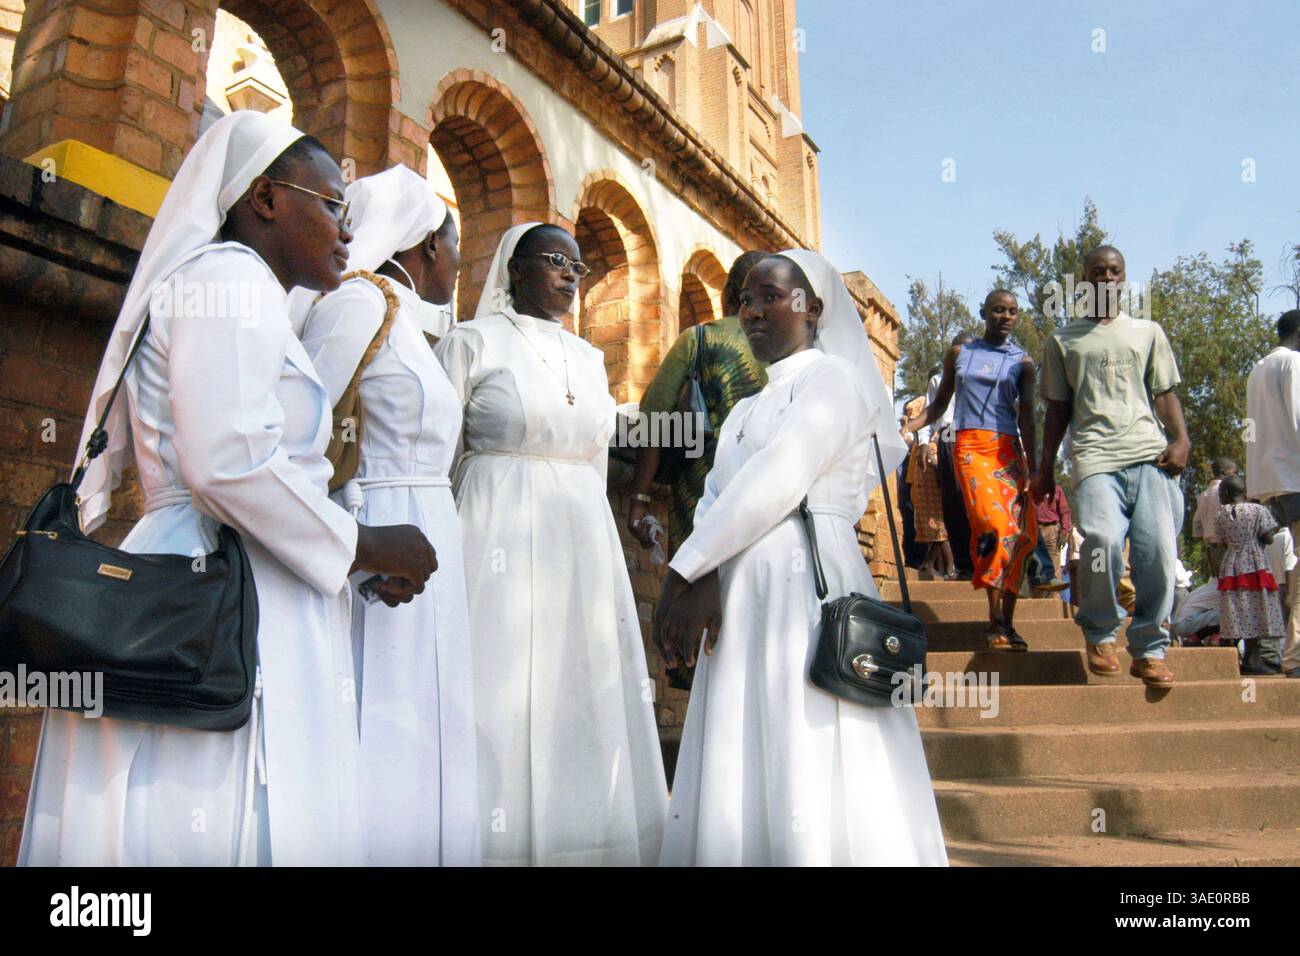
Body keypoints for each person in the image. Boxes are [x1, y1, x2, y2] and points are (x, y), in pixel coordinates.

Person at [19, 112, 437, 866]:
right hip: (211, 585)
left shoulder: (244, 292)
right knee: (214, 809)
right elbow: (226, 465)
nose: (348, 228)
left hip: (231, 572)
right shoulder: (229, 281)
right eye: (331, 203)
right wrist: (364, 544)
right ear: (266, 198)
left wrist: (356, 564)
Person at [653, 251, 948, 866]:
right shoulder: (742, 410)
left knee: (804, 731)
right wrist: (700, 576)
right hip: (738, 589)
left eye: (770, 296)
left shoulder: (833, 380)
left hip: (802, 581)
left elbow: (783, 474)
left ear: (812, 309)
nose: (753, 311)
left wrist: (686, 569)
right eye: (745, 301)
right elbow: (715, 497)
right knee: (745, 734)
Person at [435, 222, 667, 865]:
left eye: (578, 265)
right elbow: (439, 449)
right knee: (499, 677)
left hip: (580, 537)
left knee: (578, 681)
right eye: (554, 261)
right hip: (493, 523)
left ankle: (586, 840)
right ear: (514, 269)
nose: (569, 274)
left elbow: (595, 456)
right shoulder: (470, 342)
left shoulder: (590, 360)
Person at [299, 165, 479, 866]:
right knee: (384, 710)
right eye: (456, 245)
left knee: (428, 716)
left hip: (430, 532)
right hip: (379, 535)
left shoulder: (408, 325)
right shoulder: (360, 305)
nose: (462, 264)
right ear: (428, 245)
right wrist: (354, 542)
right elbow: (301, 427)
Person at [1034, 245, 1190, 688]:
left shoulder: (1147, 332)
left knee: (1159, 554)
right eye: (1097, 271)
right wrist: (1045, 470)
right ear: (1084, 280)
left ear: (1124, 278)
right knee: (1100, 541)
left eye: (1114, 271)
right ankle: (1101, 633)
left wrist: (1181, 438)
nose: (1106, 277)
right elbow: (1057, 412)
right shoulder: (1063, 340)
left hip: (1149, 456)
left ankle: (1149, 648)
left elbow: (1164, 393)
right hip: (1095, 457)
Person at [905, 290, 1038, 650]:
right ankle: (994, 620)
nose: (1005, 317)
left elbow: (1027, 416)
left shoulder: (1022, 362)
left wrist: (1037, 467)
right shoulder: (961, 354)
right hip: (971, 449)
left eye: (1012, 311)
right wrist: (909, 427)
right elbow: (939, 404)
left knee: (1017, 535)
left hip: (1008, 451)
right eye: (998, 310)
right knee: (992, 526)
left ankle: (1006, 624)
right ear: (984, 313)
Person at [627, 251, 768, 557]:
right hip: (767, 501)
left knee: (694, 594)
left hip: (699, 497)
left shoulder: (699, 339)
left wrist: (639, 501)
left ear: (728, 295)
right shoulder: (788, 351)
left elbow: (652, 420)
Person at [1244, 309, 1300, 679]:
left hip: (1272, 482)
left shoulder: (1258, 369)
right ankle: (1295, 657)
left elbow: (1251, 428)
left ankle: (1294, 655)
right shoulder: (1294, 363)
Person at [1215, 476, 1285, 674]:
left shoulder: (1220, 515)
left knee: (1239, 608)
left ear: (1226, 494)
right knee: (1257, 609)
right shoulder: (1258, 510)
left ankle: (1248, 658)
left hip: (1231, 566)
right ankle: (1253, 659)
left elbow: (1220, 543)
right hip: (1255, 564)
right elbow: (1269, 538)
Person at [930, 335, 976, 578]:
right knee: (954, 501)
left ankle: (985, 559)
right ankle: (964, 563)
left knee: (976, 500)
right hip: (950, 437)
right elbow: (937, 415)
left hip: (977, 438)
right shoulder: (939, 380)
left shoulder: (982, 379)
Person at [908, 393, 955, 579]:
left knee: (942, 524)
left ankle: (933, 565)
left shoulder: (941, 434)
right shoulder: (930, 438)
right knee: (939, 524)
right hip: (931, 478)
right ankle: (947, 568)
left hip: (933, 476)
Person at [1193, 457, 1239, 578]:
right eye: (1235, 473)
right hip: (1228, 547)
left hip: (1212, 550)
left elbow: (1197, 525)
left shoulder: (1203, 495)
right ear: (1224, 472)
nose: (1236, 477)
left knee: (1220, 587)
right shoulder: (1225, 492)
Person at [1030, 484, 1071, 591]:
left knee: (1053, 563)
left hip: (1051, 529)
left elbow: (1065, 511)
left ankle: (1055, 599)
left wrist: (1065, 530)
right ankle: (1035, 599)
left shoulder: (1056, 489)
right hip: (1033, 528)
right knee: (1033, 564)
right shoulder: (1029, 488)